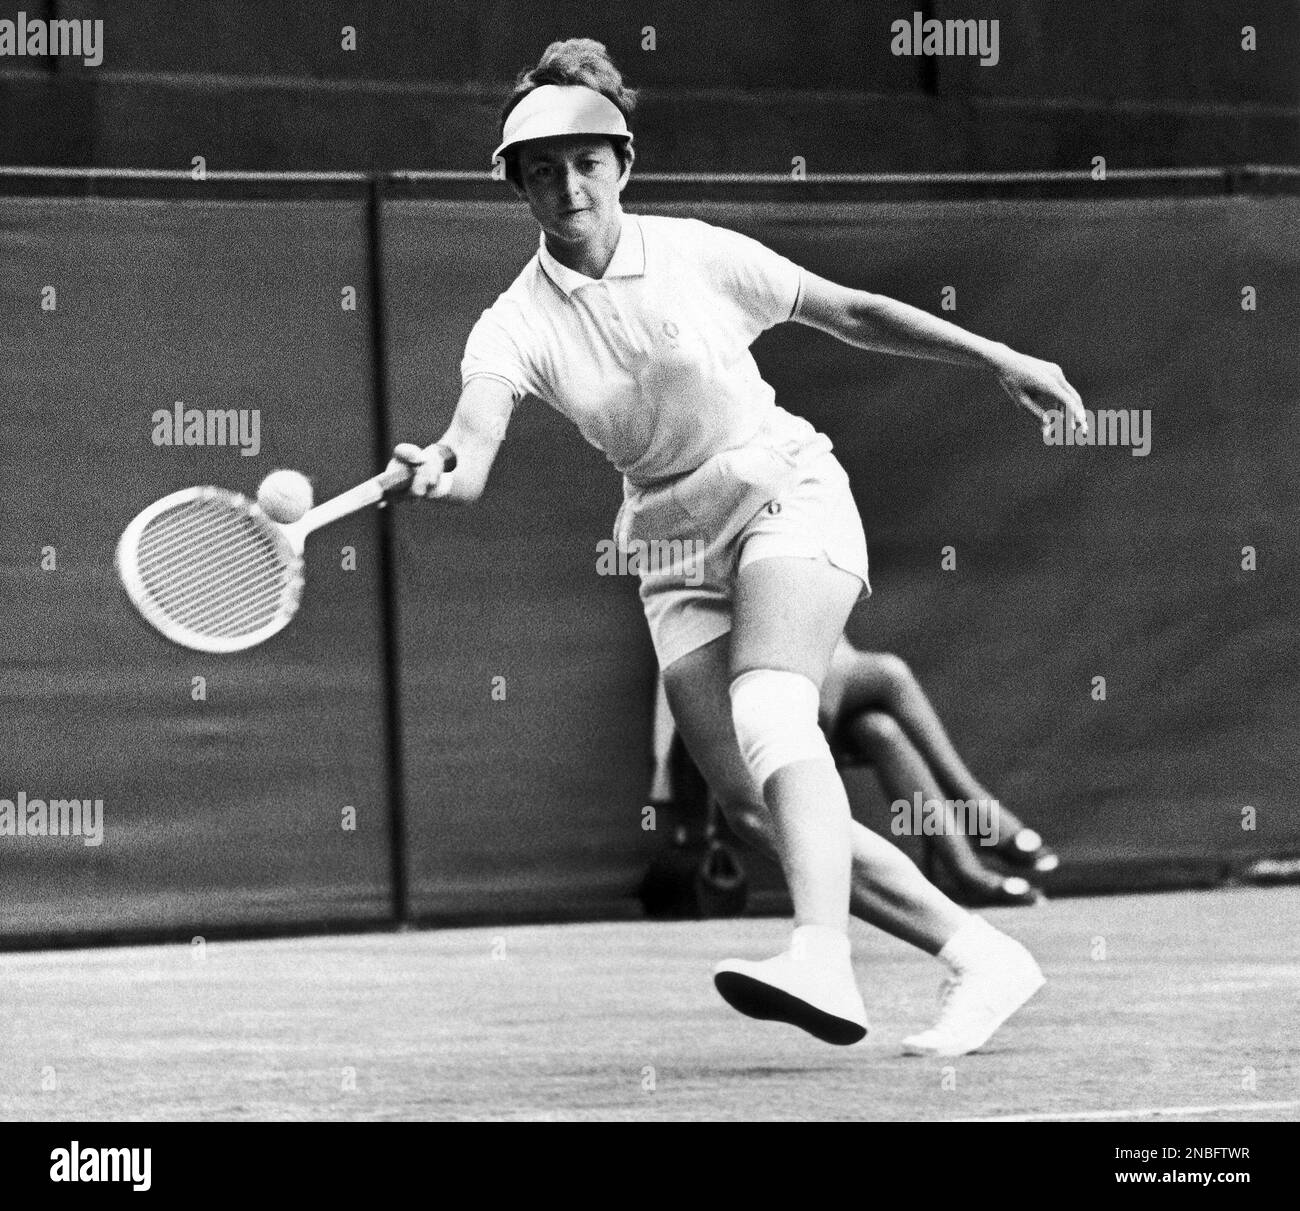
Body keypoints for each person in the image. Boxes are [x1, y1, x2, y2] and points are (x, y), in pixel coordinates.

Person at [389, 39, 1088, 1055]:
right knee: (756, 807)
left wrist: (997, 356)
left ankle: (819, 951)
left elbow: (848, 310)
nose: (568, 184)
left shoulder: (696, 252)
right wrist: (446, 463)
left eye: (588, 161)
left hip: (779, 492)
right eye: (542, 168)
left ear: (622, 164)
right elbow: (474, 435)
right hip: (669, 544)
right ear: (519, 185)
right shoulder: (512, 326)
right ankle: (981, 953)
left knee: (772, 703)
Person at [649, 640, 1060, 910]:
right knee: (889, 672)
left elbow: (827, 633)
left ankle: (966, 870)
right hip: (749, 702)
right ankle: (975, 809)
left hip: (808, 684)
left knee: (882, 731)